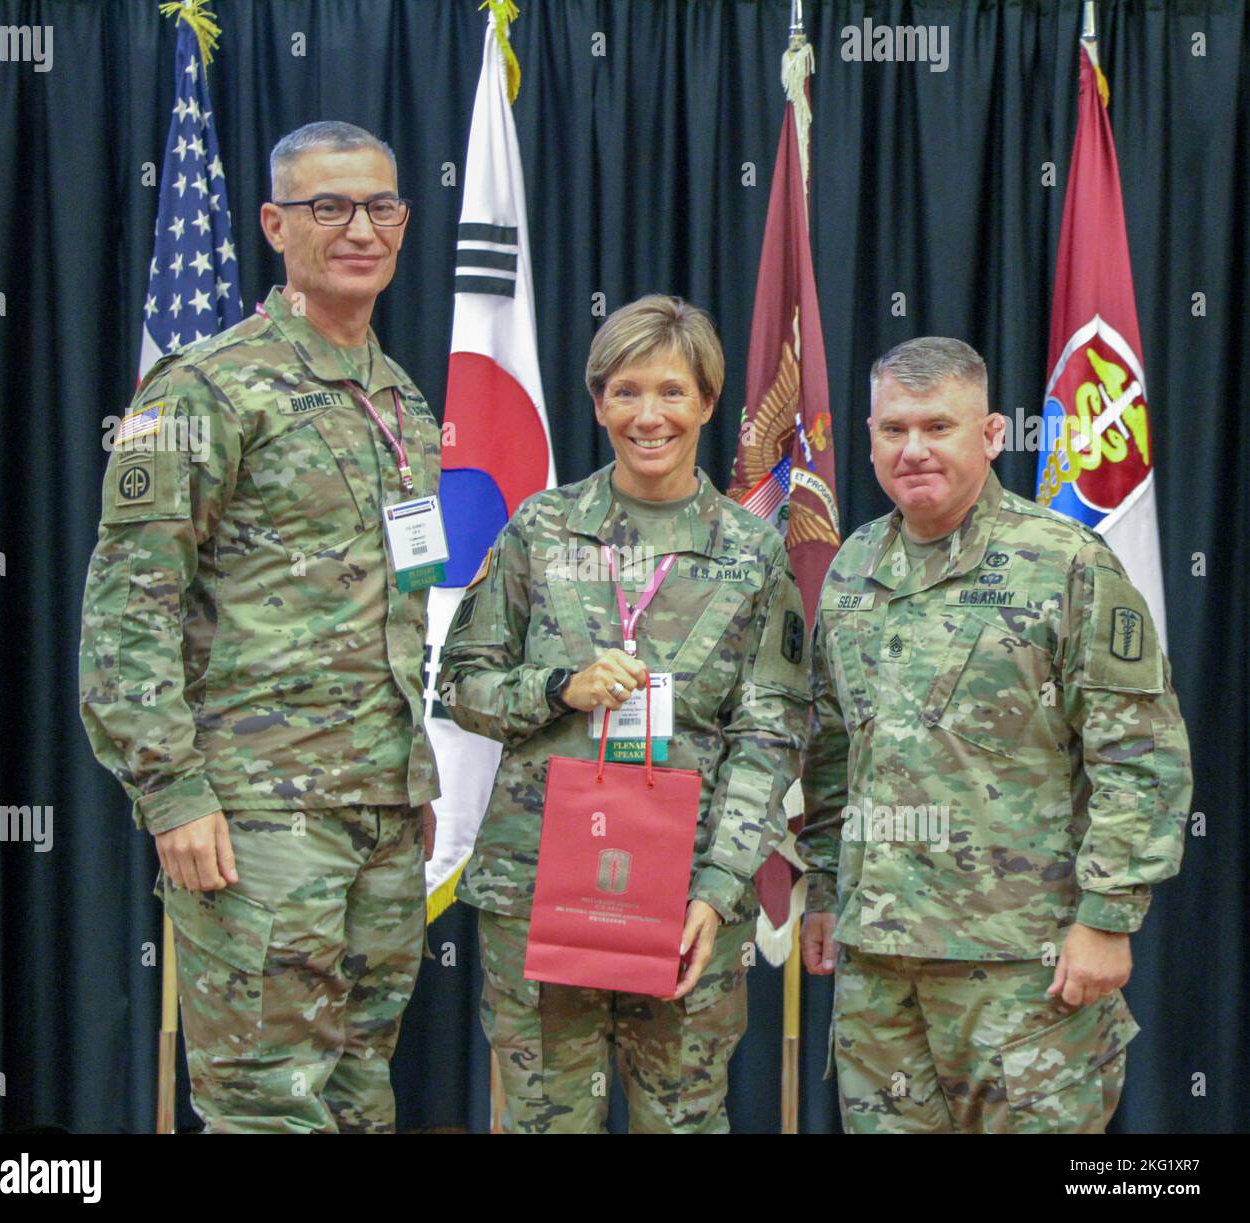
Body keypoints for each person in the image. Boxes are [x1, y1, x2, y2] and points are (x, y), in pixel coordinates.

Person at [78, 121, 442, 1133]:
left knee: (360, 1093)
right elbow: (126, 603)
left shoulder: (401, 401)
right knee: (266, 1103)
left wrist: (409, 776)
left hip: (380, 804)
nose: (359, 228)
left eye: (381, 205)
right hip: (255, 818)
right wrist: (172, 791)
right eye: (329, 207)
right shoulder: (204, 388)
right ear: (278, 224)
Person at [798, 336, 1192, 1133]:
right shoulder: (852, 566)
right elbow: (834, 745)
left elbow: (1140, 755)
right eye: (893, 429)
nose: (913, 450)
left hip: (1024, 966)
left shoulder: (1065, 564)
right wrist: (826, 890)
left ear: (991, 435)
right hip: (880, 970)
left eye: (938, 427)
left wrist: (1108, 917)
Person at [439, 295, 810, 1133]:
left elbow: (770, 737)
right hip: (540, 889)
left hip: (685, 898)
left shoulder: (753, 552)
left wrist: (716, 893)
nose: (650, 416)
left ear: (710, 403)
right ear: (598, 400)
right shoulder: (541, 528)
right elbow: (460, 685)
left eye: (673, 392)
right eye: (627, 391)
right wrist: (556, 687)